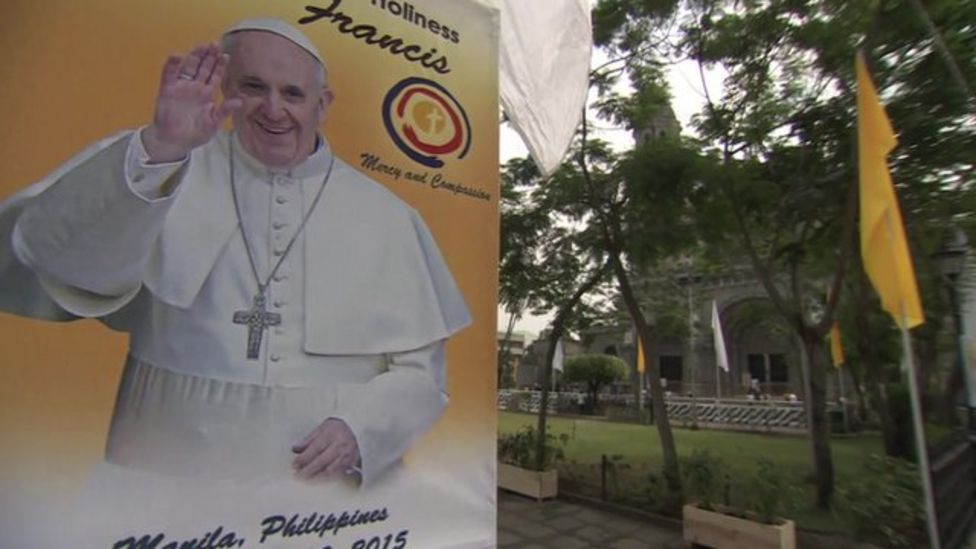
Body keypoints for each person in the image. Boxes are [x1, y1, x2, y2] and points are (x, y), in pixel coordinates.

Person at [0, 18, 470, 489]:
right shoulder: (161, 162)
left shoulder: (386, 215)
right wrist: (162, 147)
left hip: (319, 487)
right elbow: (63, 264)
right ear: (225, 88)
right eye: (253, 87)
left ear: (322, 104)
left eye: (293, 93)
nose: (273, 109)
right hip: (162, 462)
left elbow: (422, 374)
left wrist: (361, 429)